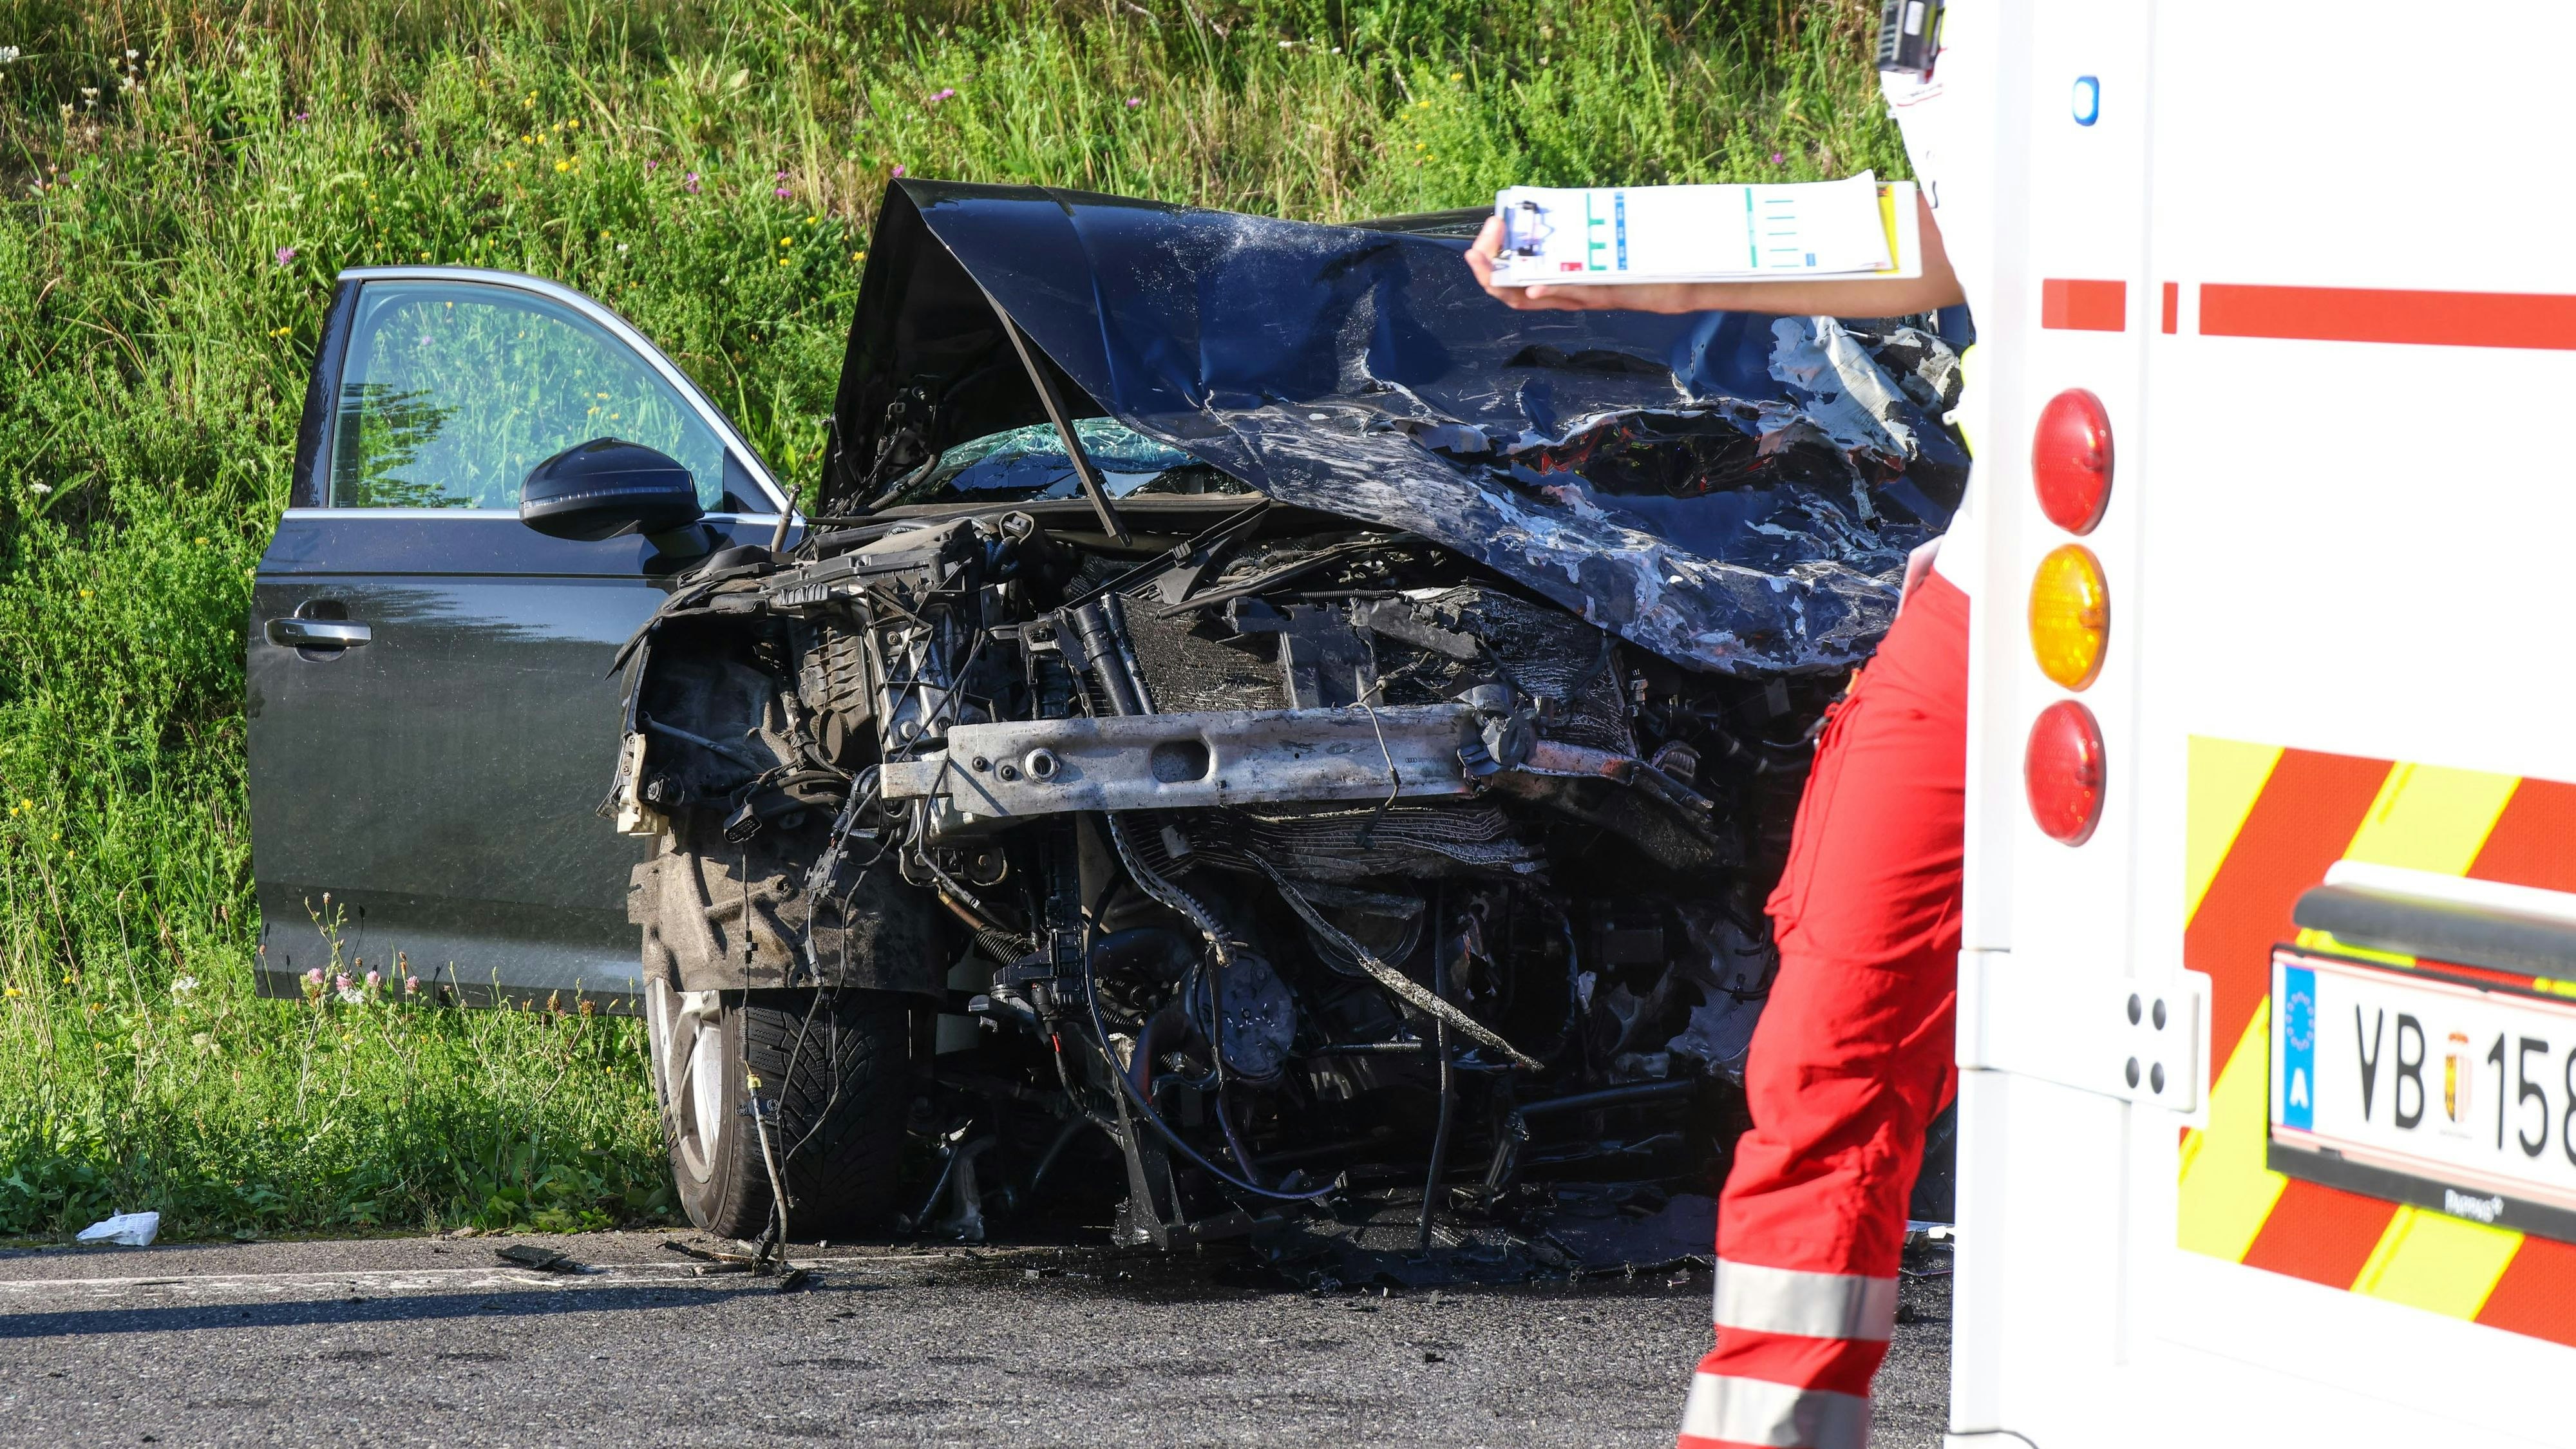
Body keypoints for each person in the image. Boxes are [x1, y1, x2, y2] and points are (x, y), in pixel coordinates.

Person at [1465, 15, 1991, 1447]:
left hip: (2189, 601)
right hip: (2000, 592)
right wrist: (1615, 262)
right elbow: (1950, 242)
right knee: (1831, 1031)